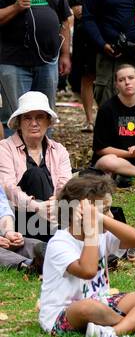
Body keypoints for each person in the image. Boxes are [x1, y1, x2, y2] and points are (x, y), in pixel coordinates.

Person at [38, 173, 135, 337]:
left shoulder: (102, 234)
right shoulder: (60, 243)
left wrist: (99, 218)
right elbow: (88, 270)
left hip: (103, 302)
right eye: (105, 211)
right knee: (87, 308)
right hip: (65, 313)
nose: (111, 216)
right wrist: (91, 226)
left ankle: (115, 331)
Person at [0, 0, 72, 130]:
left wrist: (65, 54)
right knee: (15, 118)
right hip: (13, 62)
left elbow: (65, 19)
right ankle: (14, 160)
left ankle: (44, 160)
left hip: (48, 62)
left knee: (45, 115)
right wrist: (15, 8)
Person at [0, 91, 72, 249]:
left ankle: (61, 241)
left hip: (56, 213)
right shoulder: (4, 148)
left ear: (48, 121)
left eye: (39, 117)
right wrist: (36, 206)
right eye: (27, 118)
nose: (34, 123)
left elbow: (65, 184)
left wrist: (56, 202)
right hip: (22, 218)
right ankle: (62, 242)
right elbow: (8, 188)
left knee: (93, 185)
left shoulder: (59, 150)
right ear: (19, 122)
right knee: (36, 174)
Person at [66, 0, 100, 130]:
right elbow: (79, 13)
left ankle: (105, 118)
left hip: (103, 37)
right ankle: (89, 120)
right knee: (86, 78)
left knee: (103, 78)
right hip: (83, 38)